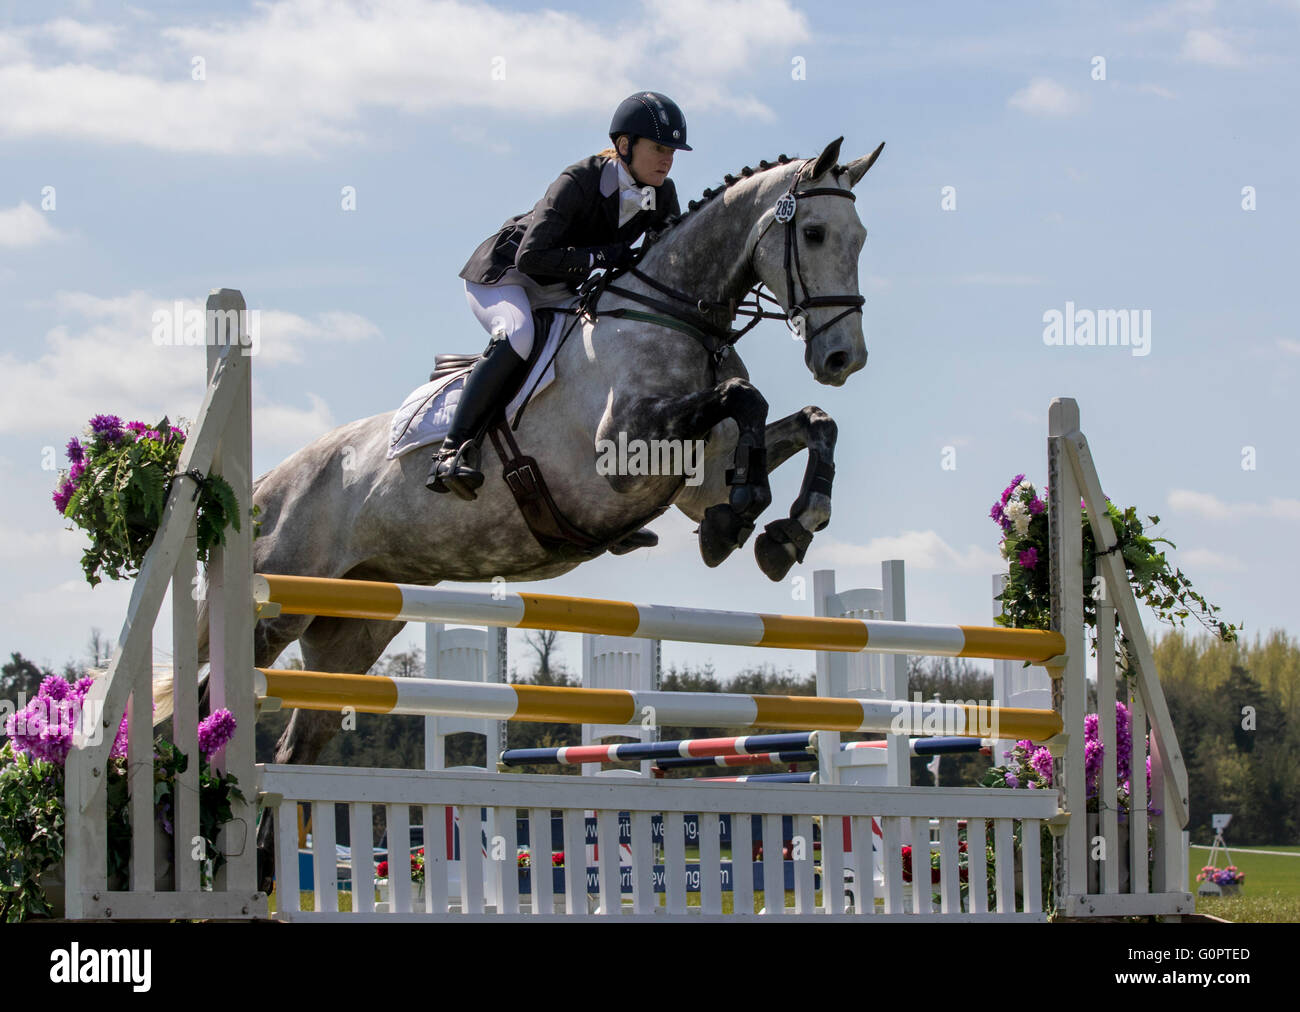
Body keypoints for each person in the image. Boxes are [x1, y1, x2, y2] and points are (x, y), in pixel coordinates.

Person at [427, 91, 690, 501]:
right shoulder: (580, 180)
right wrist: (604, 254)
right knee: (518, 336)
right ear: (625, 145)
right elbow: (532, 257)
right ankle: (452, 450)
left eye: (672, 151)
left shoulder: (662, 193)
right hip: (505, 274)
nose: (667, 159)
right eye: (658, 148)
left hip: (561, 284)